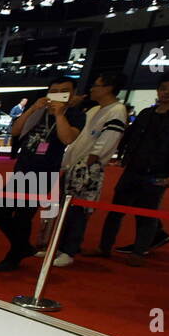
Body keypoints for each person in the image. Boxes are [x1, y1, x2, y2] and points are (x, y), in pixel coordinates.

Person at [99, 71, 169, 264]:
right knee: (115, 210)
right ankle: (104, 247)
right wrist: (123, 157)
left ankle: (140, 251)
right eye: (163, 88)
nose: (167, 92)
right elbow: (130, 136)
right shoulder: (147, 113)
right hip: (134, 168)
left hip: (159, 171)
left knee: (147, 212)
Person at [0, 76, 85, 271]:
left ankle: (14, 256)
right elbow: (16, 131)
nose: (58, 95)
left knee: (23, 217)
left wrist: (59, 114)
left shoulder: (75, 115)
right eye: (54, 91)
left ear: (72, 94)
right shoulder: (38, 112)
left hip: (44, 174)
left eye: (64, 91)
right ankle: (22, 246)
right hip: (22, 169)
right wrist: (33, 109)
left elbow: (67, 138)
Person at [44, 73, 129, 266]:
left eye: (96, 85)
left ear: (109, 87)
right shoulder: (95, 109)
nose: (92, 89)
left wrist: (90, 163)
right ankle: (57, 246)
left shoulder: (116, 110)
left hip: (87, 167)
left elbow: (107, 142)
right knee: (65, 209)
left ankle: (69, 250)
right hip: (73, 164)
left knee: (78, 211)